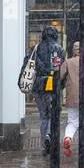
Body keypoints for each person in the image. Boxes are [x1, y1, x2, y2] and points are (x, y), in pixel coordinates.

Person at [33, 25, 65, 156]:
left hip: (39, 85)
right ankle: (49, 135)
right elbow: (61, 70)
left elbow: (35, 65)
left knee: (43, 116)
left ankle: (43, 143)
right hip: (53, 85)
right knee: (54, 113)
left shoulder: (37, 48)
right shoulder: (60, 49)